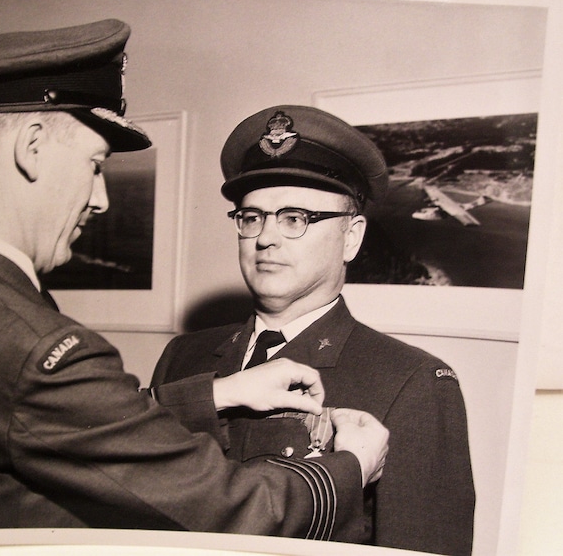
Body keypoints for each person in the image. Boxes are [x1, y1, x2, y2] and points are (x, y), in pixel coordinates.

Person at [0, 20, 390, 539]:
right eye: (95, 164)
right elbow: (230, 509)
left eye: (295, 218)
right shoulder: (36, 346)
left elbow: (49, 427)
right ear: (33, 145)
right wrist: (352, 466)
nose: (100, 198)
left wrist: (217, 396)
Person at [150, 105, 476, 556]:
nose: (266, 238)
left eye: (295, 217)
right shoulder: (184, 357)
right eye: (252, 217)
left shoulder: (413, 382)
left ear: (351, 237)